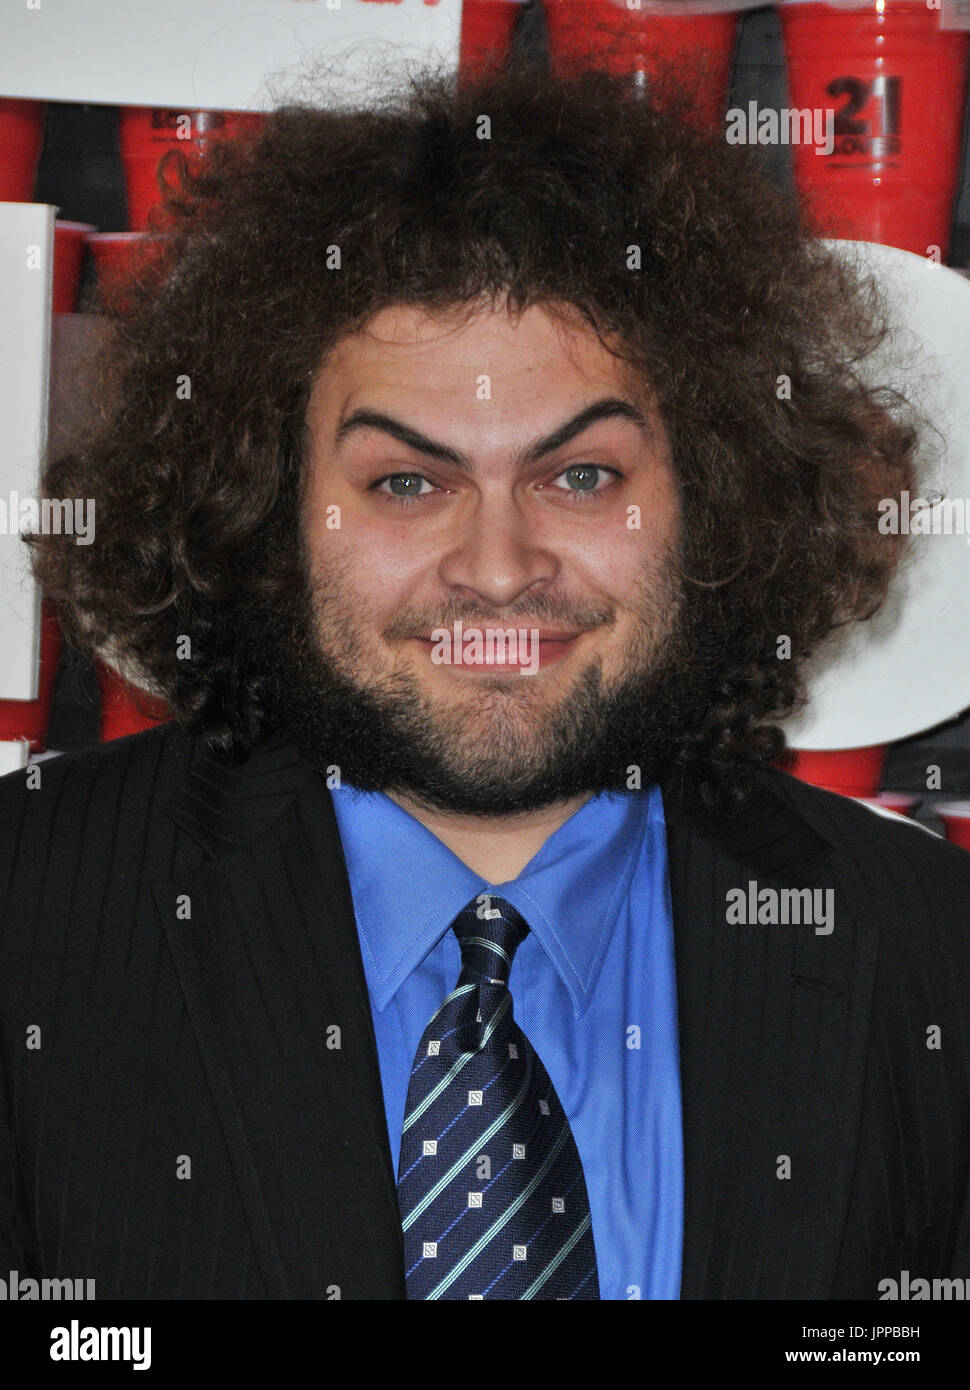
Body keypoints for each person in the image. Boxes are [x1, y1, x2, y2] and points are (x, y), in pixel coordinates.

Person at [2, 59, 970, 1302]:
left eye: (581, 476)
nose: (498, 569)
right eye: (408, 483)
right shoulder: (31, 920)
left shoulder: (926, 952)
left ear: (718, 502)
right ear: (263, 509)